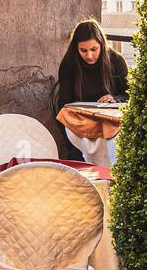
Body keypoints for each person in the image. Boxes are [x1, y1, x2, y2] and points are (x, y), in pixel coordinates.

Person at [55, 18, 129, 165]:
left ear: (102, 44)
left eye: (94, 49)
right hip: (79, 125)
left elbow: (130, 94)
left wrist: (115, 98)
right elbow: (63, 105)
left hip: (111, 127)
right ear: (75, 48)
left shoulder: (116, 60)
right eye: (83, 50)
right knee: (77, 160)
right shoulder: (69, 64)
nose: (89, 55)